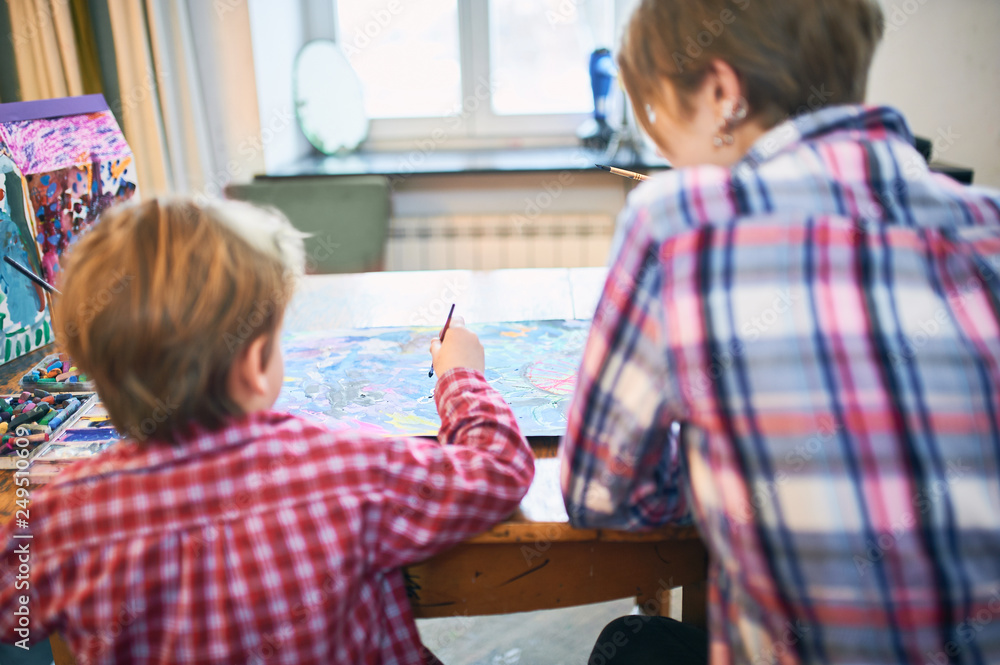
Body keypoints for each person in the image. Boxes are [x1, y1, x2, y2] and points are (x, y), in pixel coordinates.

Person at [560, 0, 1000, 663]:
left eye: (660, 120)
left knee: (629, 642)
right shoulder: (988, 225)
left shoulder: (678, 220)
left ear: (721, 93)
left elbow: (597, 489)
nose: (663, 153)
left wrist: (729, 474)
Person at [0, 198, 534, 664]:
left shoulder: (60, 521)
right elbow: (499, 466)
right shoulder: (343, 468)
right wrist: (459, 375)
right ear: (257, 365)